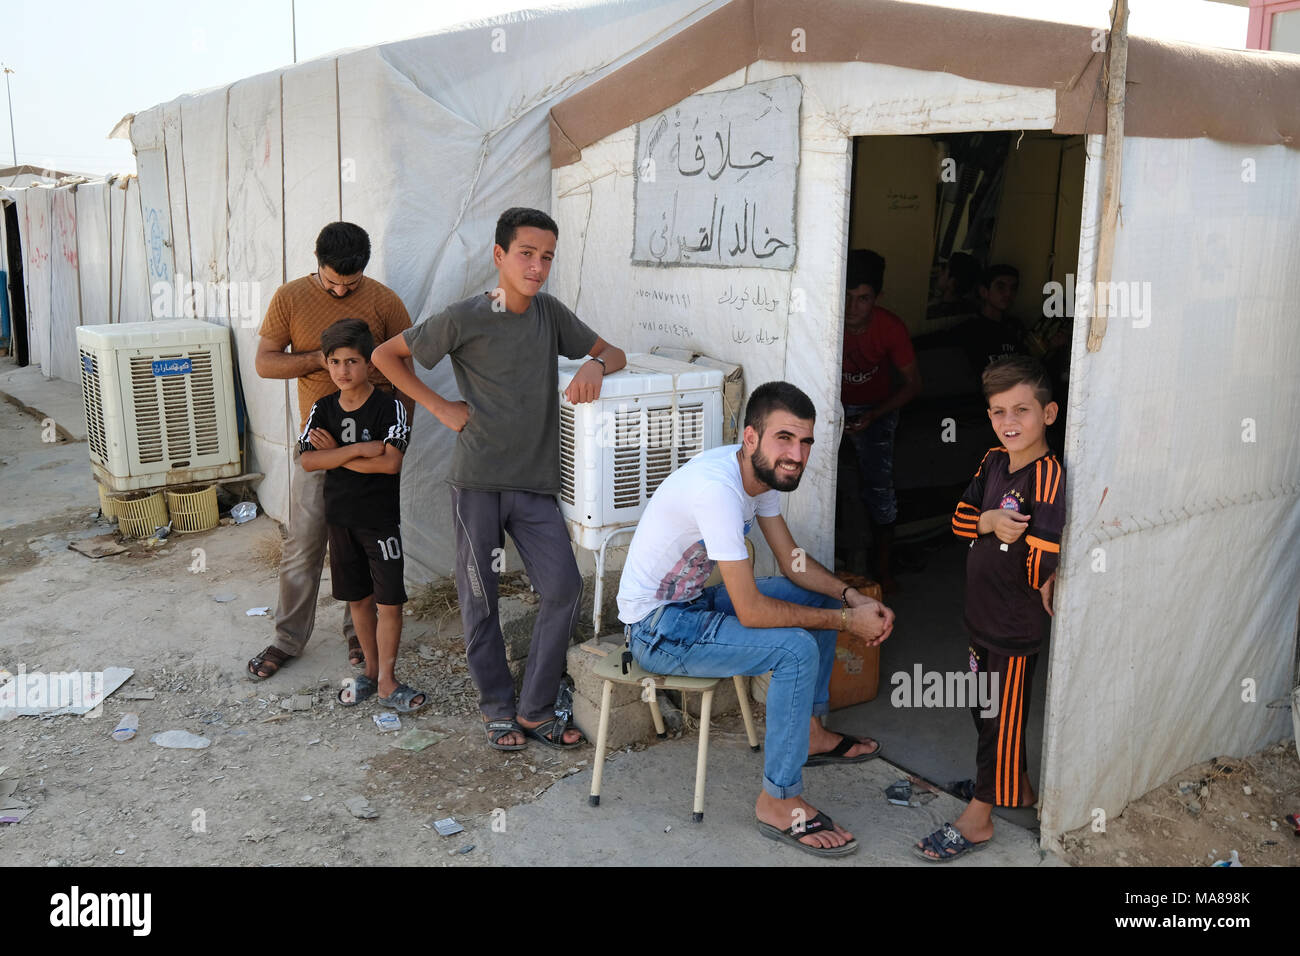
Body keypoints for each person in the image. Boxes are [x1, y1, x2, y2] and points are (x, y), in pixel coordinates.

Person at [372, 207, 626, 750]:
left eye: (547, 257)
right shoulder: (464, 316)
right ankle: (496, 707)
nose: (537, 267)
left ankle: (534, 708)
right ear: (499, 256)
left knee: (563, 588)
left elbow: (613, 352)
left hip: (535, 486)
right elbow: (385, 355)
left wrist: (594, 365)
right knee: (480, 597)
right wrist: (440, 409)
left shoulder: (551, 315)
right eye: (526, 254)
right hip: (478, 484)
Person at [617, 381, 896, 859]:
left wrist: (847, 597)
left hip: (692, 606)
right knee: (796, 647)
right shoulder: (719, 490)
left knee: (820, 603)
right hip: (657, 629)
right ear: (751, 438)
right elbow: (751, 610)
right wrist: (849, 622)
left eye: (805, 441)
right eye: (784, 438)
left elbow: (794, 563)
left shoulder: (760, 477)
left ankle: (809, 734)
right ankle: (778, 800)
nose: (797, 454)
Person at [913, 355, 1064, 862]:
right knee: (981, 710)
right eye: (998, 411)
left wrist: (1042, 575)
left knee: (1001, 722)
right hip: (980, 619)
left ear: (1049, 414)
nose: (1009, 423)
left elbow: (1043, 553)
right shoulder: (993, 462)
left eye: (1021, 410)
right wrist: (992, 521)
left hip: (1014, 627)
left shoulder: (1046, 476)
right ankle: (1014, 791)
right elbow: (958, 520)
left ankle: (979, 817)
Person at [247, 222, 413, 681]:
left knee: (360, 544)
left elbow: (405, 373)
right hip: (319, 443)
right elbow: (264, 362)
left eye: (351, 283)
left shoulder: (384, 300)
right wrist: (317, 359)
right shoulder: (290, 297)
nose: (341, 290)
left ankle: (358, 636)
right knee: (303, 545)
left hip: (373, 447)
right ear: (316, 260)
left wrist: (400, 437)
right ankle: (287, 639)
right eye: (332, 281)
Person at [297, 319, 424, 711]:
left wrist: (336, 455)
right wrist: (357, 449)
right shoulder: (323, 408)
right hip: (340, 519)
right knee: (358, 599)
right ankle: (370, 673)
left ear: (370, 362)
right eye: (334, 362)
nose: (342, 371)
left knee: (389, 601)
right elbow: (308, 461)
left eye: (351, 361)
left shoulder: (390, 407)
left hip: (379, 520)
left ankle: (388, 679)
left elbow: (390, 465)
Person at [840, 249, 922, 593]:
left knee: (879, 493)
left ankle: (883, 573)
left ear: (877, 298)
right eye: (845, 298)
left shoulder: (890, 328)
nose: (851, 308)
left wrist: (874, 415)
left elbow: (914, 385)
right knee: (823, 489)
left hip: (877, 410)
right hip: (831, 410)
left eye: (862, 299)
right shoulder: (820, 320)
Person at [953, 264, 1027, 380]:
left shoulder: (1015, 326)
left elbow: (1029, 360)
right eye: (1001, 287)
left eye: (1013, 288)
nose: (1008, 293)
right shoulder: (971, 329)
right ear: (984, 292)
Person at [925, 251, 980, 322]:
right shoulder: (970, 308)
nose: (940, 272)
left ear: (952, 282)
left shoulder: (933, 313)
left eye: (944, 269)